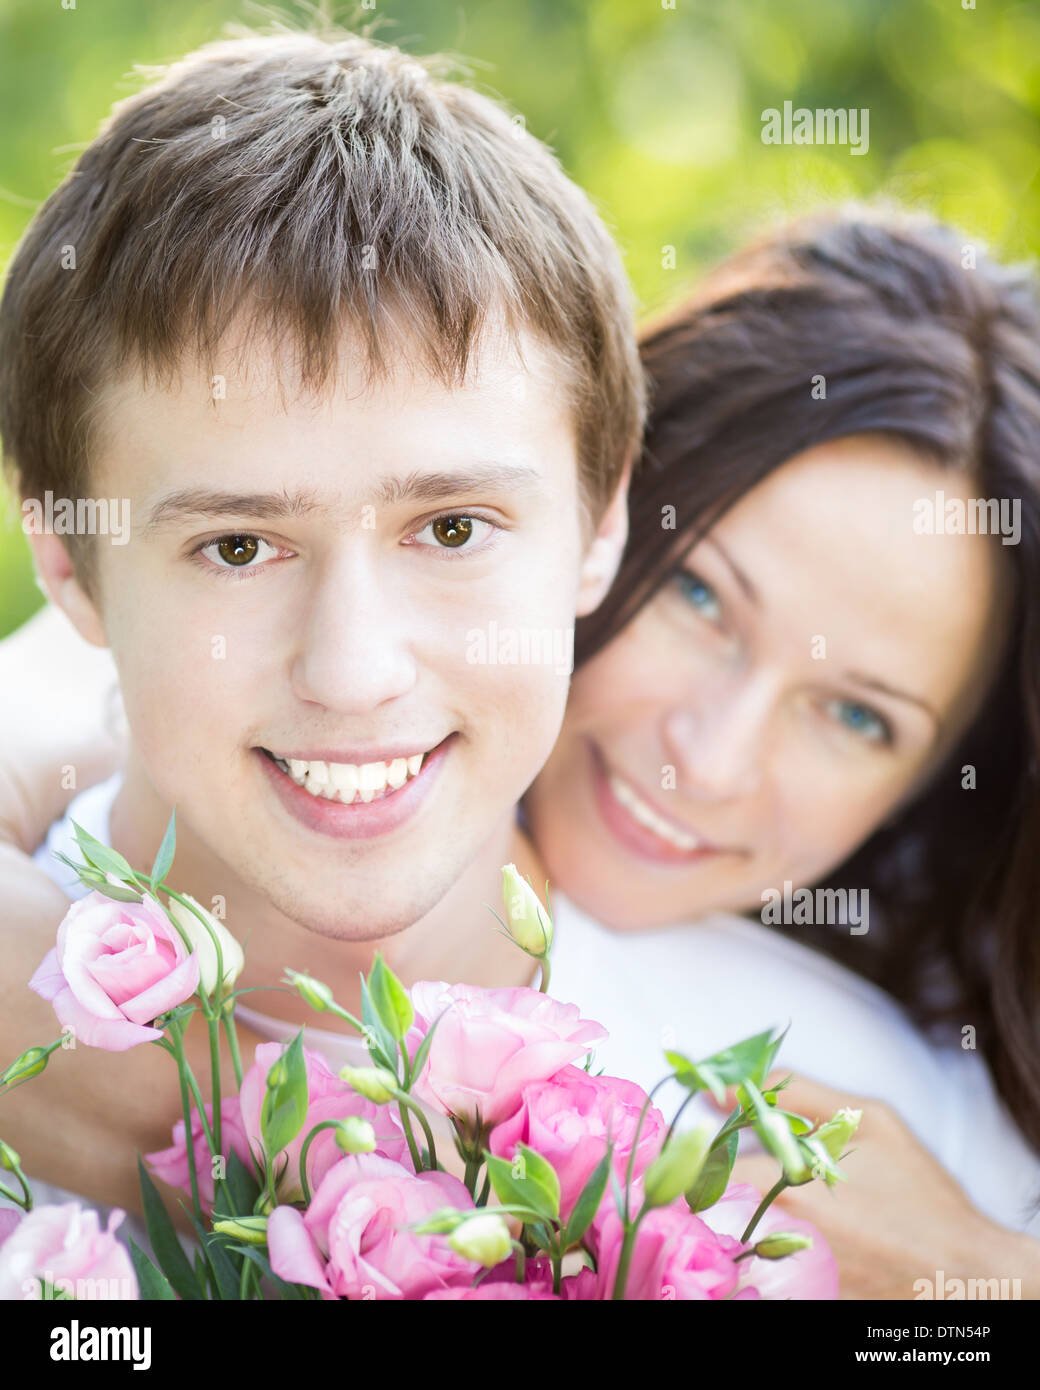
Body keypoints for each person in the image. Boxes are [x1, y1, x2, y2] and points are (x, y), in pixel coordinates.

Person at [0, 22, 643, 1223]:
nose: (352, 672)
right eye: (236, 547)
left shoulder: (801, 1139)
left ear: (599, 523)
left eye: (451, 528)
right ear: (69, 565)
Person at [524, 206, 1040, 1294]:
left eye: (856, 717)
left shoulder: (942, 1141)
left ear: (927, 792)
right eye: (699, 596)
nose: (709, 759)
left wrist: (970, 1273)